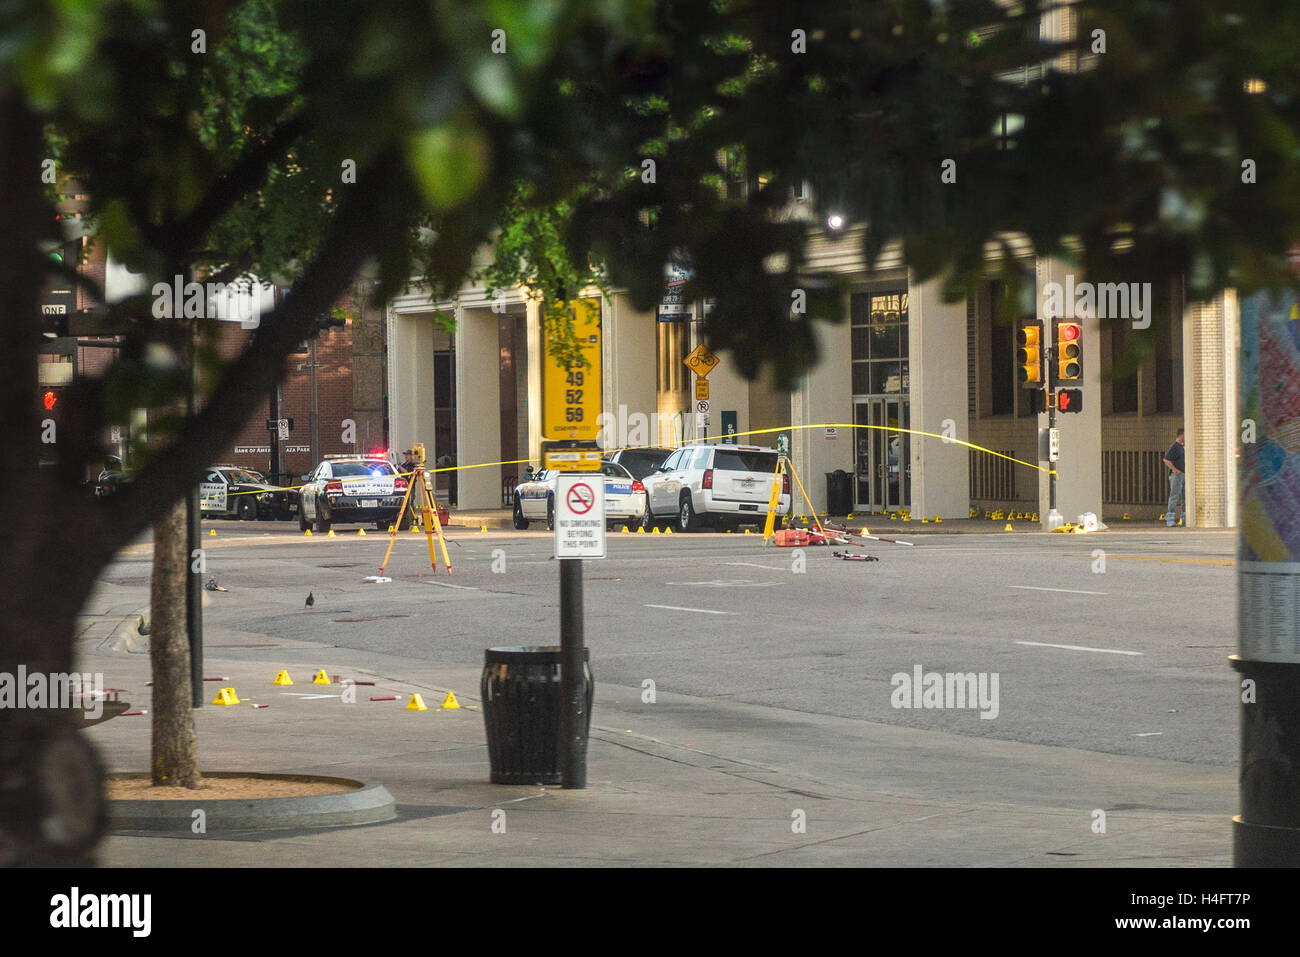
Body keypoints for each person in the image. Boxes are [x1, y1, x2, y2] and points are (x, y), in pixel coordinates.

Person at [1162, 427, 1187, 527]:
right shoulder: (1175, 446)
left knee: (1185, 497)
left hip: (1184, 474)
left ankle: (1185, 518)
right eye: (1185, 435)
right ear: (1181, 435)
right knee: (1174, 496)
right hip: (1177, 475)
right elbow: (1166, 459)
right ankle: (1170, 518)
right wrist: (1174, 469)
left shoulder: (1183, 446)